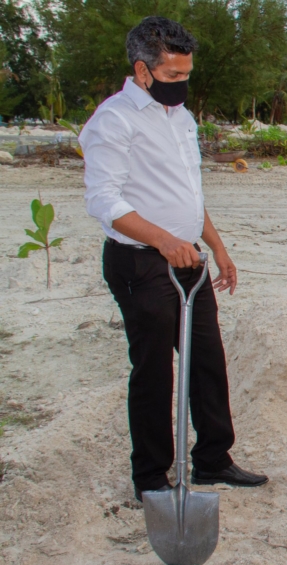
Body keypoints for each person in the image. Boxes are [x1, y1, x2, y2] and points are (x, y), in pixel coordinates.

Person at [79, 16, 267, 502]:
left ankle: (212, 460)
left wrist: (218, 248)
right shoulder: (113, 121)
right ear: (143, 71)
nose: (182, 86)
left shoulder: (181, 119)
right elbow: (106, 201)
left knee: (207, 360)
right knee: (154, 369)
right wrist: (164, 241)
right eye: (172, 77)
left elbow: (187, 194)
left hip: (191, 258)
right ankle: (150, 477)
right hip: (140, 263)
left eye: (187, 75)